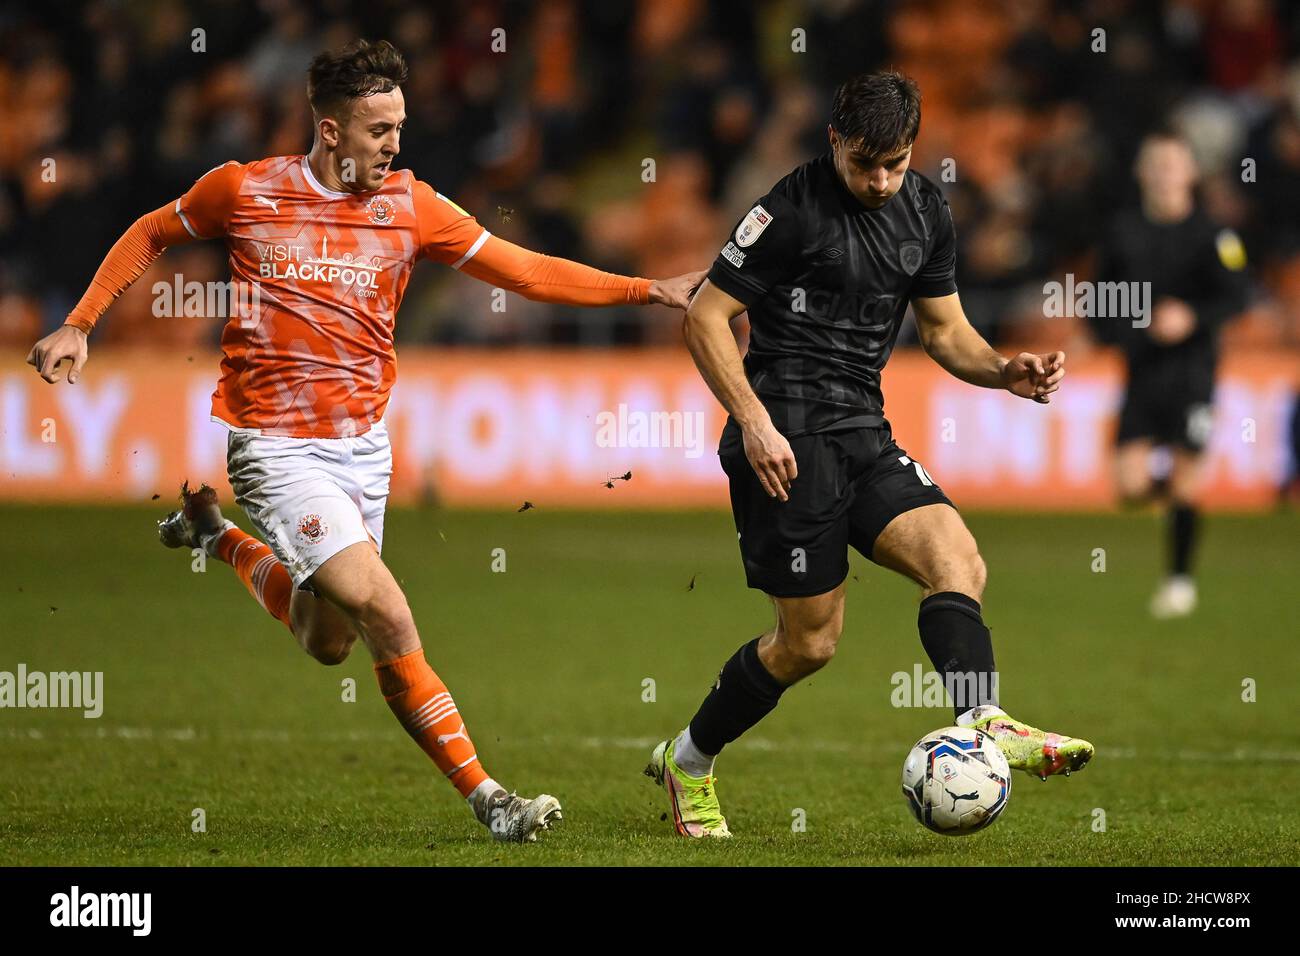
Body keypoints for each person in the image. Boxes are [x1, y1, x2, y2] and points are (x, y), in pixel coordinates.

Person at [26, 39, 703, 843]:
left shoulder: (413, 207)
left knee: (328, 642)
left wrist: (648, 288)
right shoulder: (244, 190)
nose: (394, 144)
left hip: (362, 450)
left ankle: (218, 538)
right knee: (388, 611)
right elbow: (148, 232)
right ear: (330, 130)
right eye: (379, 129)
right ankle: (493, 801)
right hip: (273, 446)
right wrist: (78, 323)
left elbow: (525, 271)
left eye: (400, 127)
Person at [644, 72, 1093, 838]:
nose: (881, 180)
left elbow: (946, 333)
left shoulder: (923, 207)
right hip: (784, 442)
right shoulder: (785, 210)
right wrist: (752, 421)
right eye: (864, 164)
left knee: (958, 560)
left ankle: (985, 718)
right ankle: (688, 760)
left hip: (863, 433)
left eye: (896, 162)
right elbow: (706, 318)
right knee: (809, 643)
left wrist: (1002, 371)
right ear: (835, 143)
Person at [1092, 130, 1248, 618]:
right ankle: (1181, 511)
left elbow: (1237, 297)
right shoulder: (1122, 232)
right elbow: (1099, 302)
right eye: (1154, 162)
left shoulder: (1214, 235)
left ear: (1190, 173)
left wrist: (1192, 318)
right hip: (1142, 374)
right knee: (1130, 486)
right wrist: (1127, 326)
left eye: (1172, 163)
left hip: (1193, 374)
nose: (1163, 172)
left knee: (1185, 479)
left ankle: (1179, 581)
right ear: (1141, 172)